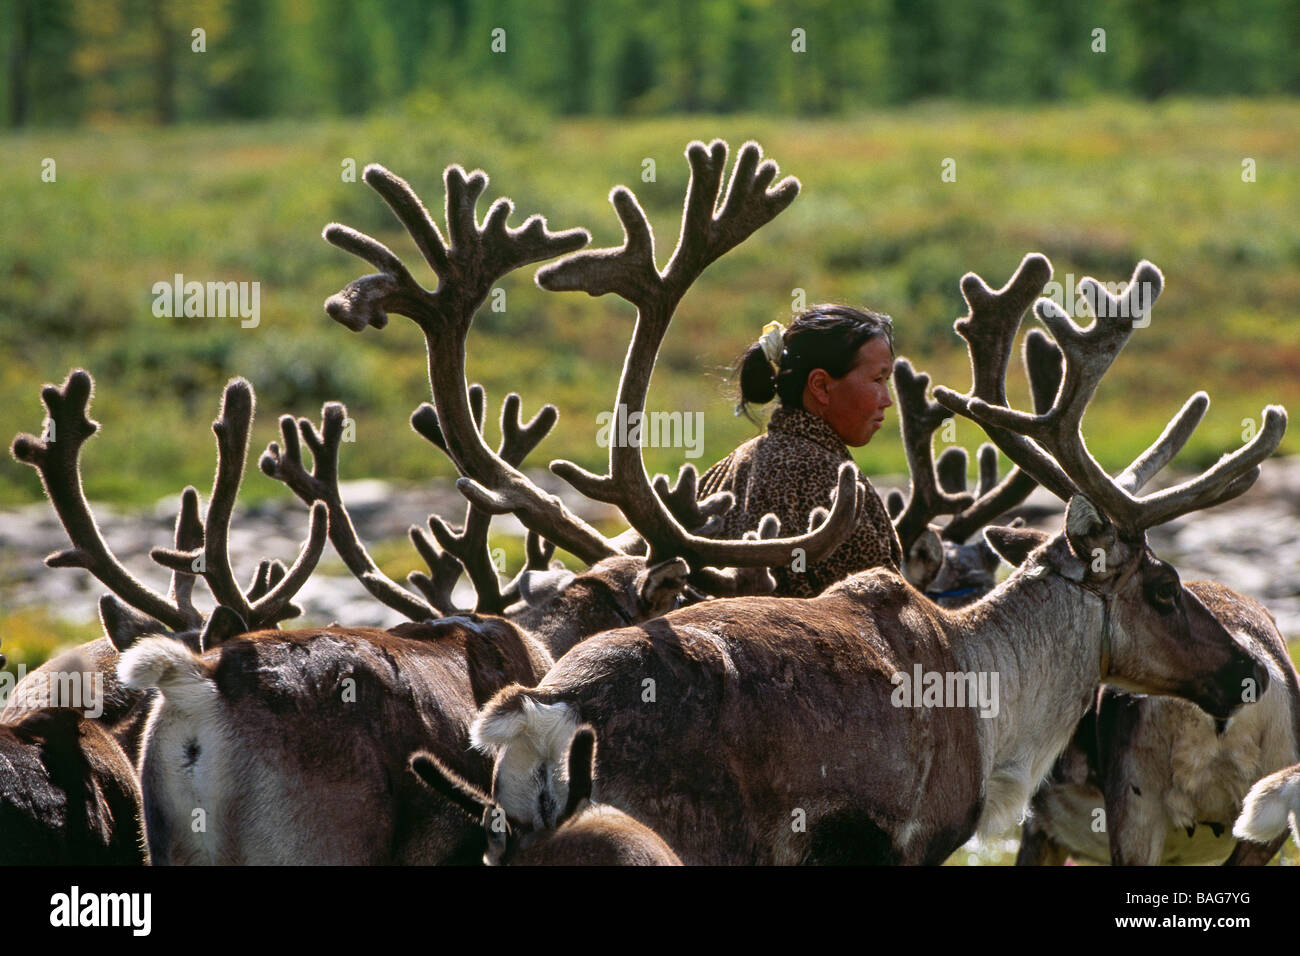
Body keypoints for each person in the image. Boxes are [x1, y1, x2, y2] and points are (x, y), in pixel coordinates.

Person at [697, 304, 902, 597]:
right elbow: (883, 613)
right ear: (820, 386)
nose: (887, 400)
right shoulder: (825, 477)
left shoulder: (724, 469)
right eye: (877, 379)